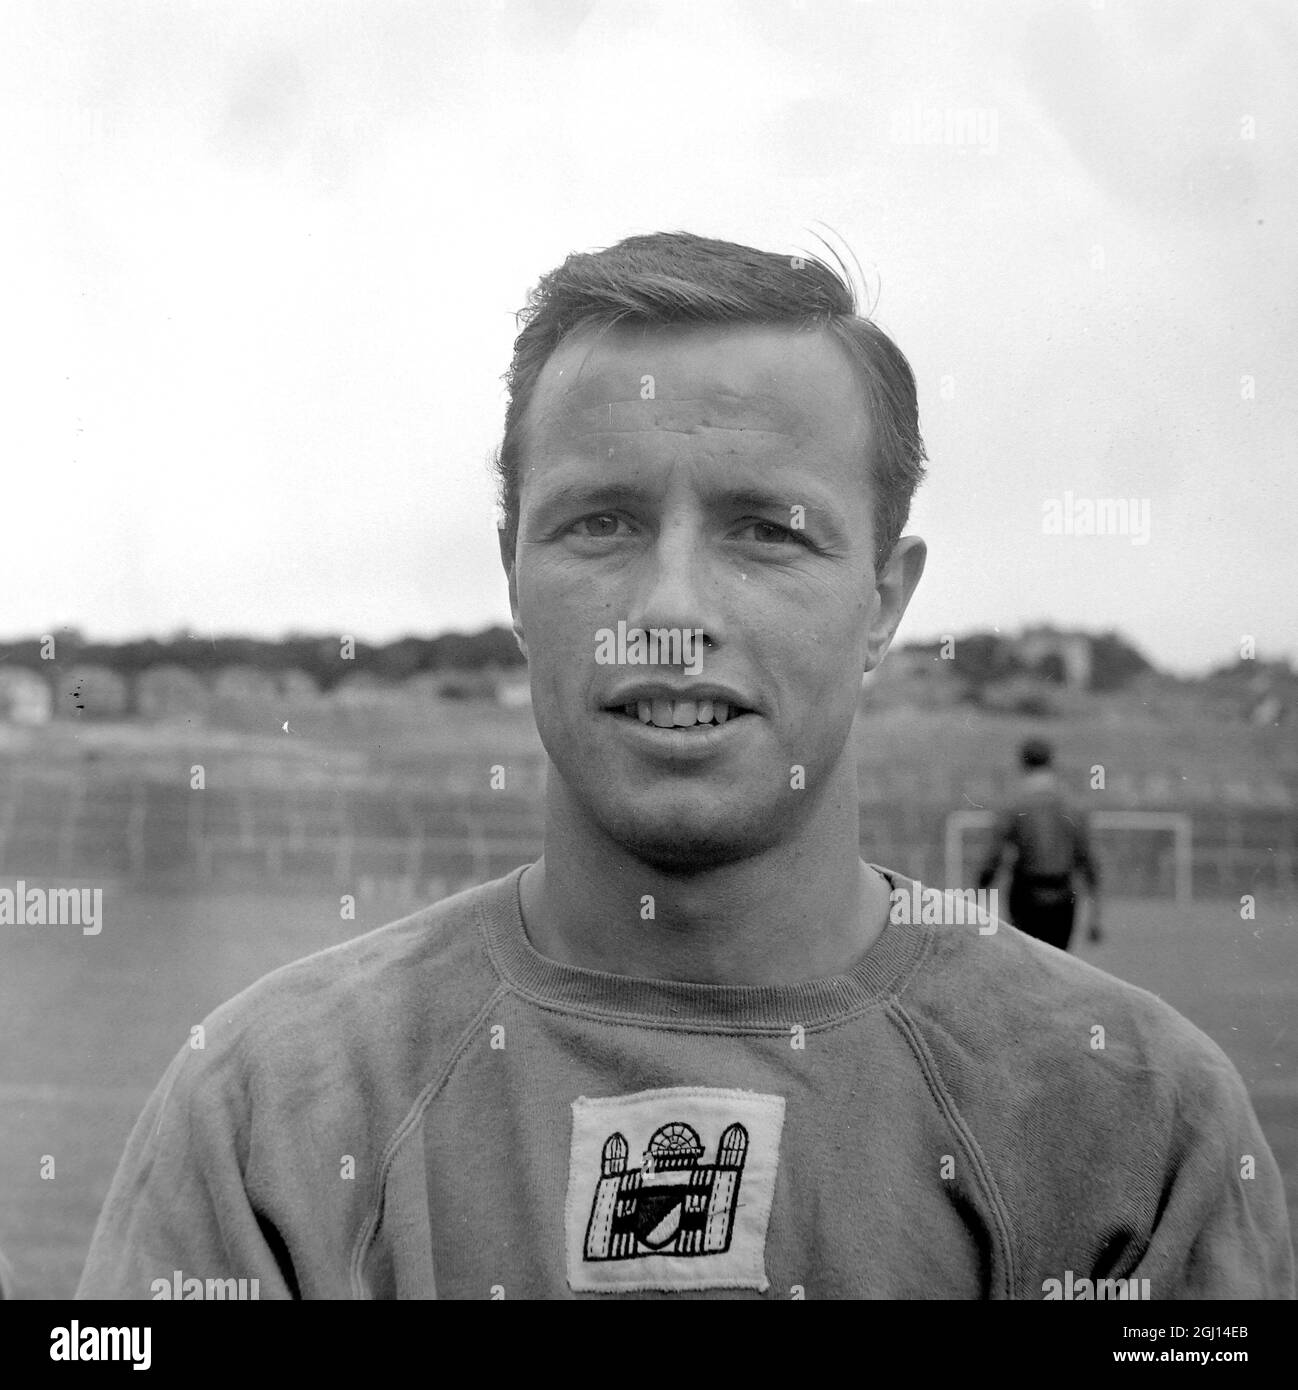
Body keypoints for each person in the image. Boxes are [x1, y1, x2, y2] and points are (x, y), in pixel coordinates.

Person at [78, 232, 1292, 1299]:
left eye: (765, 531)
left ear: (884, 597)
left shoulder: (1135, 1123)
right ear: (511, 570)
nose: (667, 610)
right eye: (599, 521)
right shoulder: (264, 1115)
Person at [976, 738, 1101, 952]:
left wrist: (980, 894)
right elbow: (1088, 860)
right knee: (1057, 963)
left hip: (1026, 894)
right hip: (1063, 893)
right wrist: (1096, 915)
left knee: (1027, 963)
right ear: (1051, 761)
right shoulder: (1072, 803)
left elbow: (994, 856)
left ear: (1022, 762)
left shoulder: (1014, 802)